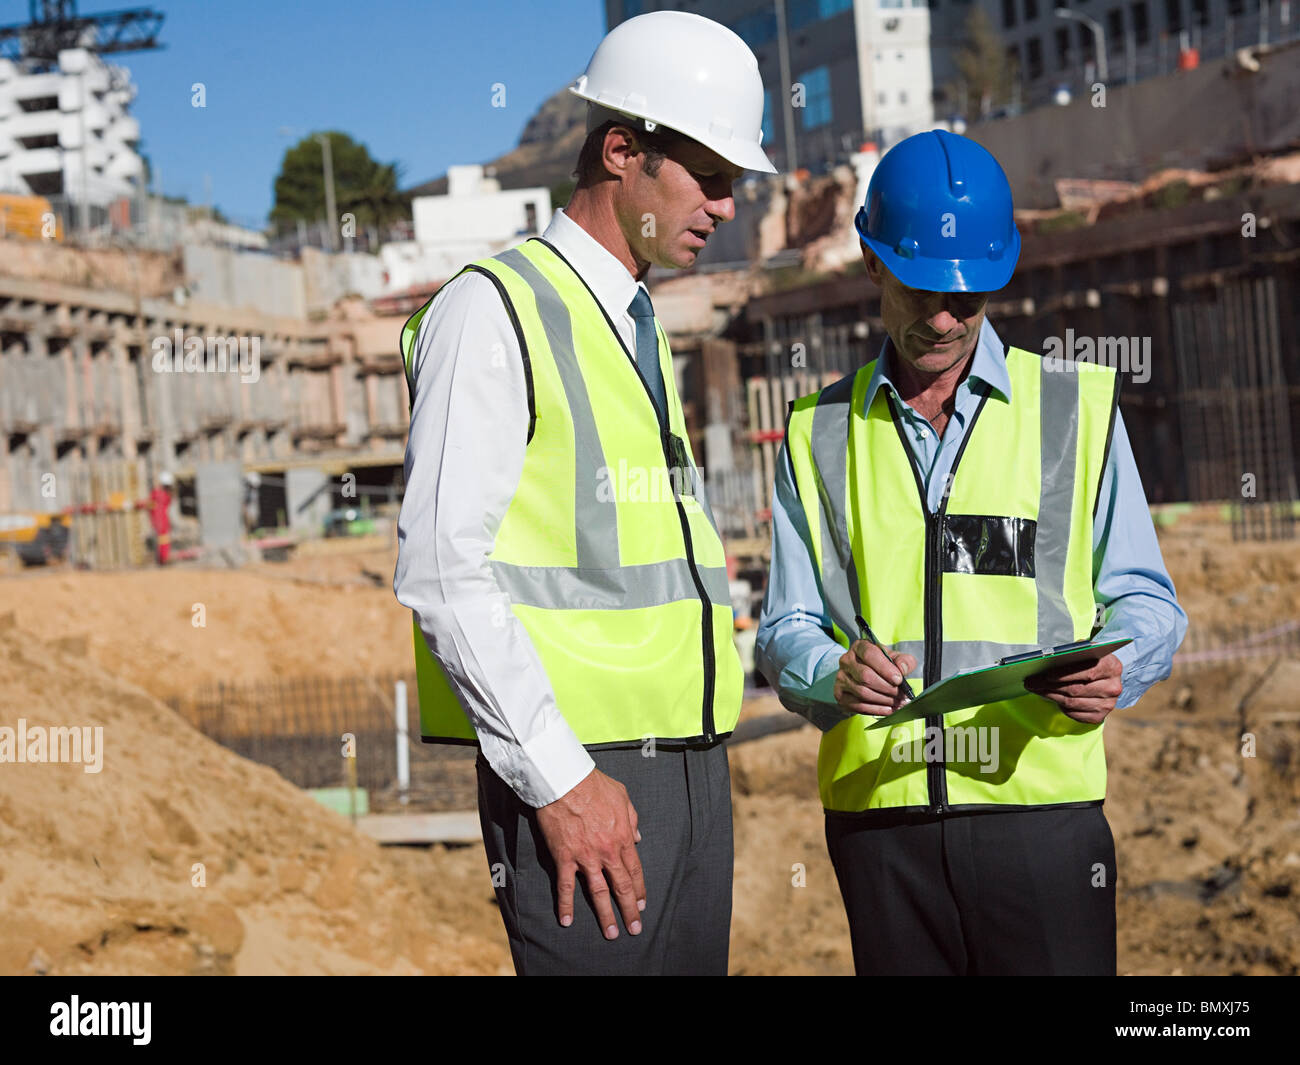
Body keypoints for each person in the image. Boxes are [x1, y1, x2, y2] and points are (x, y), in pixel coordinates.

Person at [393, 11, 778, 975]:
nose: (728, 207)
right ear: (622, 152)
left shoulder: (634, 324)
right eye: (712, 178)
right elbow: (442, 568)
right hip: (583, 771)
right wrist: (561, 779)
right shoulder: (494, 309)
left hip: (689, 766)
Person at [756, 129, 1188, 976]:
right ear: (872, 264)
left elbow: (1148, 599)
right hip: (883, 831)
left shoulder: (1073, 409)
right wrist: (829, 671)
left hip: (1041, 818)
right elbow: (783, 624)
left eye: (971, 297)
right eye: (923, 291)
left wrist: (1121, 666)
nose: (947, 320)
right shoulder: (816, 434)